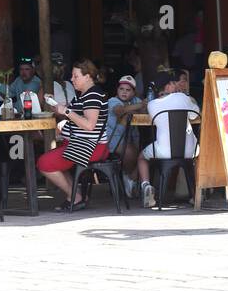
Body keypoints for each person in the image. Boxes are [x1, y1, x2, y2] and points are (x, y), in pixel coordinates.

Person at [37, 58, 109, 211]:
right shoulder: (84, 94)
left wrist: (67, 111)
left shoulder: (92, 95)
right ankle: (76, 195)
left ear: (88, 77)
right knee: (53, 161)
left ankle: (75, 196)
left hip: (90, 146)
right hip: (80, 144)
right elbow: (76, 116)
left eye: (76, 76)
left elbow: (90, 125)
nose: (72, 79)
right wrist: (59, 108)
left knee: (44, 163)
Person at [136, 68, 201, 209]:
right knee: (198, 156)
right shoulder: (183, 98)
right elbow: (196, 115)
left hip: (163, 150)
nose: (176, 85)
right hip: (189, 150)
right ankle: (197, 190)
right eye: (173, 82)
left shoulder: (152, 105)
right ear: (168, 86)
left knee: (141, 157)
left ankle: (146, 185)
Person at [104, 75, 146, 195]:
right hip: (113, 139)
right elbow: (119, 110)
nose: (124, 92)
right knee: (131, 152)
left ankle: (129, 175)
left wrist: (138, 107)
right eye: (121, 89)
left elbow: (145, 110)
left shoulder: (134, 100)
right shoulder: (112, 101)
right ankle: (129, 175)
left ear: (133, 93)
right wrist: (139, 106)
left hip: (132, 137)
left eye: (128, 90)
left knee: (146, 154)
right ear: (117, 90)